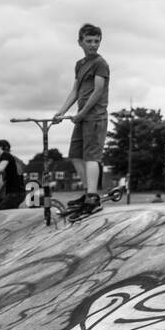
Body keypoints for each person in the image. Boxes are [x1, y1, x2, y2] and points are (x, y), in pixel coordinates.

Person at [51, 23, 109, 215]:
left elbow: (98, 90)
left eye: (96, 41)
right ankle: (87, 192)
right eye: (89, 41)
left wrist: (82, 113)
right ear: (80, 42)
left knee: (91, 156)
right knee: (75, 155)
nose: (93, 45)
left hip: (94, 117)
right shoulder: (80, 64)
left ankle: (93, 197)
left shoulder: (101, 63)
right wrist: (61, 112)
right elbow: (75, 91)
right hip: (82, 117)